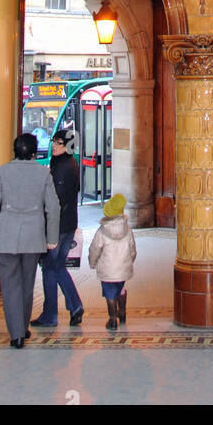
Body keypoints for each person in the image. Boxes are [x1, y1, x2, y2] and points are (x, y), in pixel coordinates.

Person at [0, 132, 60, 349]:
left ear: (14, 150)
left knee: (10, 286)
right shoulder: (43, 174)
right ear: (34, 152)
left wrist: (4, 208)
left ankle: (16, 333)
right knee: (27, 283)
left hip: (7, 235)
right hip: (33, 236)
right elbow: (53, 207)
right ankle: (23, 326)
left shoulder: (3, 171)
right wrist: (52, 238)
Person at [31, 128, 84, 328]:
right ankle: (74, 305)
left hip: (58, 226)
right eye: (54, 141)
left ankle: (50, 314)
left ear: (68, 146)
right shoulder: (68, 163)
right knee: (57, 266)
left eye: (59, 143)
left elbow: (56, 199)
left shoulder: (63, 167)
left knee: (50, 268)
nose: (54, 145)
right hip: (67, 223)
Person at [88, 193, 136, 331]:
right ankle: (122, 312)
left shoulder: (101, 232)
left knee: (109, 292)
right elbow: (132, 249)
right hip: (122, 269)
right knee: (120, 288)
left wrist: (92, 263)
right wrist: (129, 261)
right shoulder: (128, 230)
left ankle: (112, 318)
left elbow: (94, 249)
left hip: (107, 270)